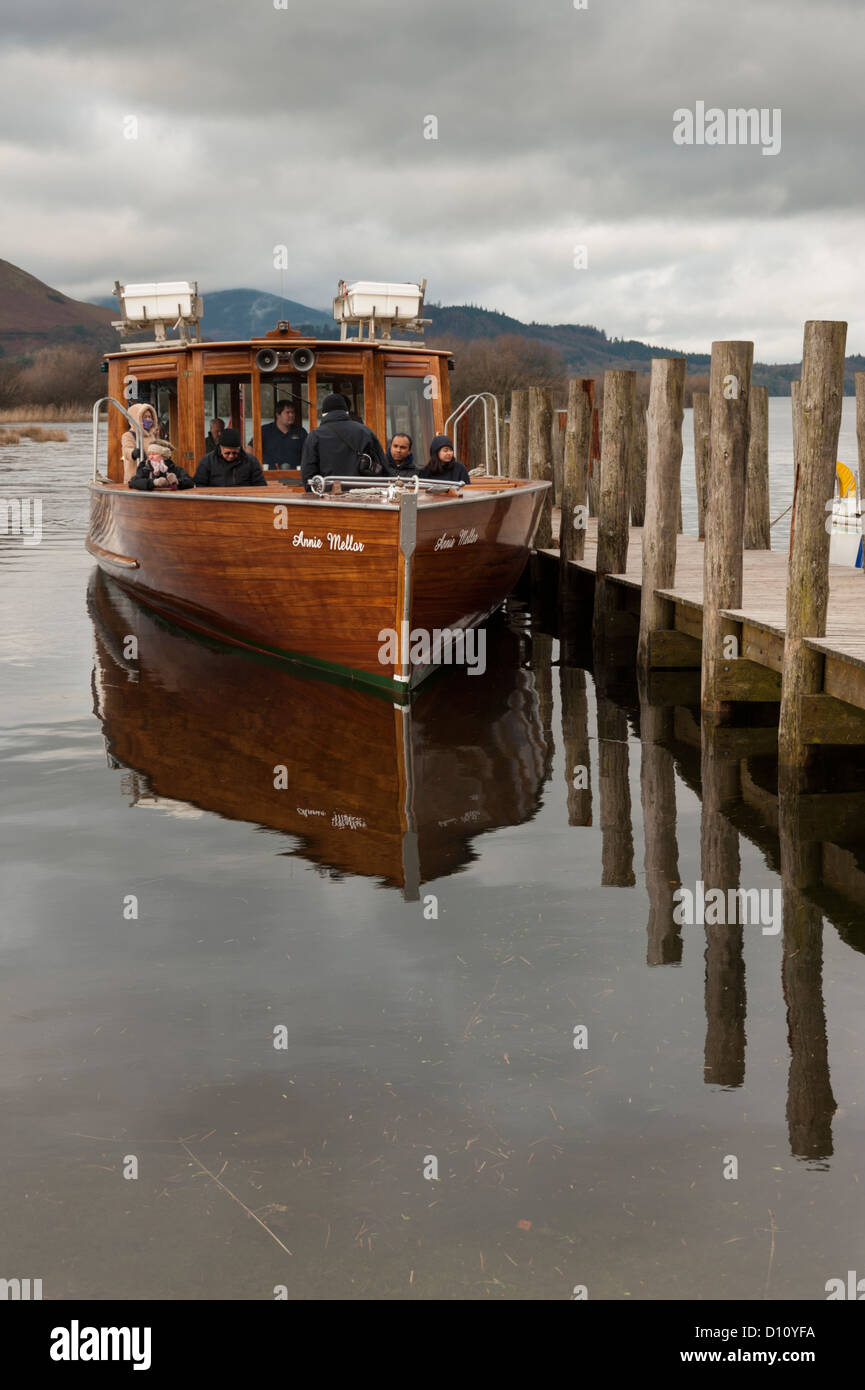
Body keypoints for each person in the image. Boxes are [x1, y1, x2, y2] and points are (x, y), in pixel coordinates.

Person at [300, 393, 388, 490]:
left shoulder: (315, 436)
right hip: (363, 496)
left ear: (324, 414)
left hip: (328, 497)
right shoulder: (365, 432)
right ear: (347, 412)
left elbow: (308, 474)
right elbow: (383, 465)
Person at [193, 428, 266, 487]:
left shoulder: (251, 461)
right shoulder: (207, 461)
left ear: (239, 449)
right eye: (227, 453)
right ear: (221, 449)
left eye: (235, 453)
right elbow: (199, 484)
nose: (231, 456)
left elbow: (260, 484)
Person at [121, 401, 172, 483]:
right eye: (145, 417)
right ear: (136, 418)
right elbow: (126, 451)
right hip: (134, 477)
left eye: (150, 417)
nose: (148, 419)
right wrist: (133, 452)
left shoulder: (152, 435)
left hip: (150, 476)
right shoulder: (128, 435)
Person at [259, 401, 308, 470]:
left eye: (293, 412)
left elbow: (310, 452)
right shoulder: (265, 431)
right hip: (270, 476)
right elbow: (250, 449)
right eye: (287, 412)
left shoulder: (301, 432)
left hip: (296, 476)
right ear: (278, 415)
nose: (291, 415)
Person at [129, 445, 194, 491]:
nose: (150, 457)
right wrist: (154, 482)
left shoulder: (174, 469)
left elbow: (190, 482)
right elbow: (133, 482)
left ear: (163, 456)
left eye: (154, 454)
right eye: (149, 454)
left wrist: (178, 481)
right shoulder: (145, 468)